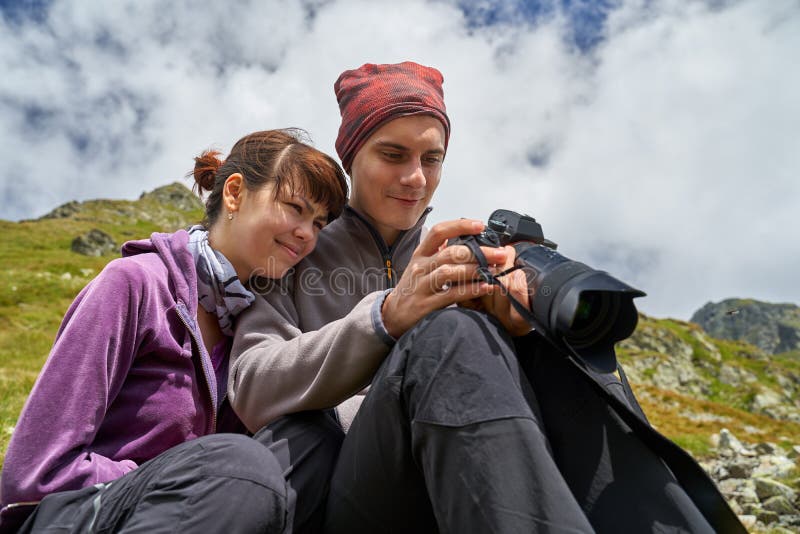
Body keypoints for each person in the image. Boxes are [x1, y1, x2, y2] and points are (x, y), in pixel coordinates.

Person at [228, 63, 741, 533]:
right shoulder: (297, 247)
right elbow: (250, 387)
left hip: (458, 483)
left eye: (432, 159)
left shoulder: (461, 256)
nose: (415, 178)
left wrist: (519, 329)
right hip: (346, 490)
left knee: (553, 350)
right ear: (351, 157)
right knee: (449, 332)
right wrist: (386, 318)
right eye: (392, 154)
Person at [0, 129, 349, 533]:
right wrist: (180, 478)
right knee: (239, 461)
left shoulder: (248, 329)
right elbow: (34, 472)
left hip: (198, 510)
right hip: (79, 516)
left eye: (319, 223)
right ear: (234, 193)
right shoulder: (135, 283)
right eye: (295, 208)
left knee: (314, 441)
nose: (307, 234)